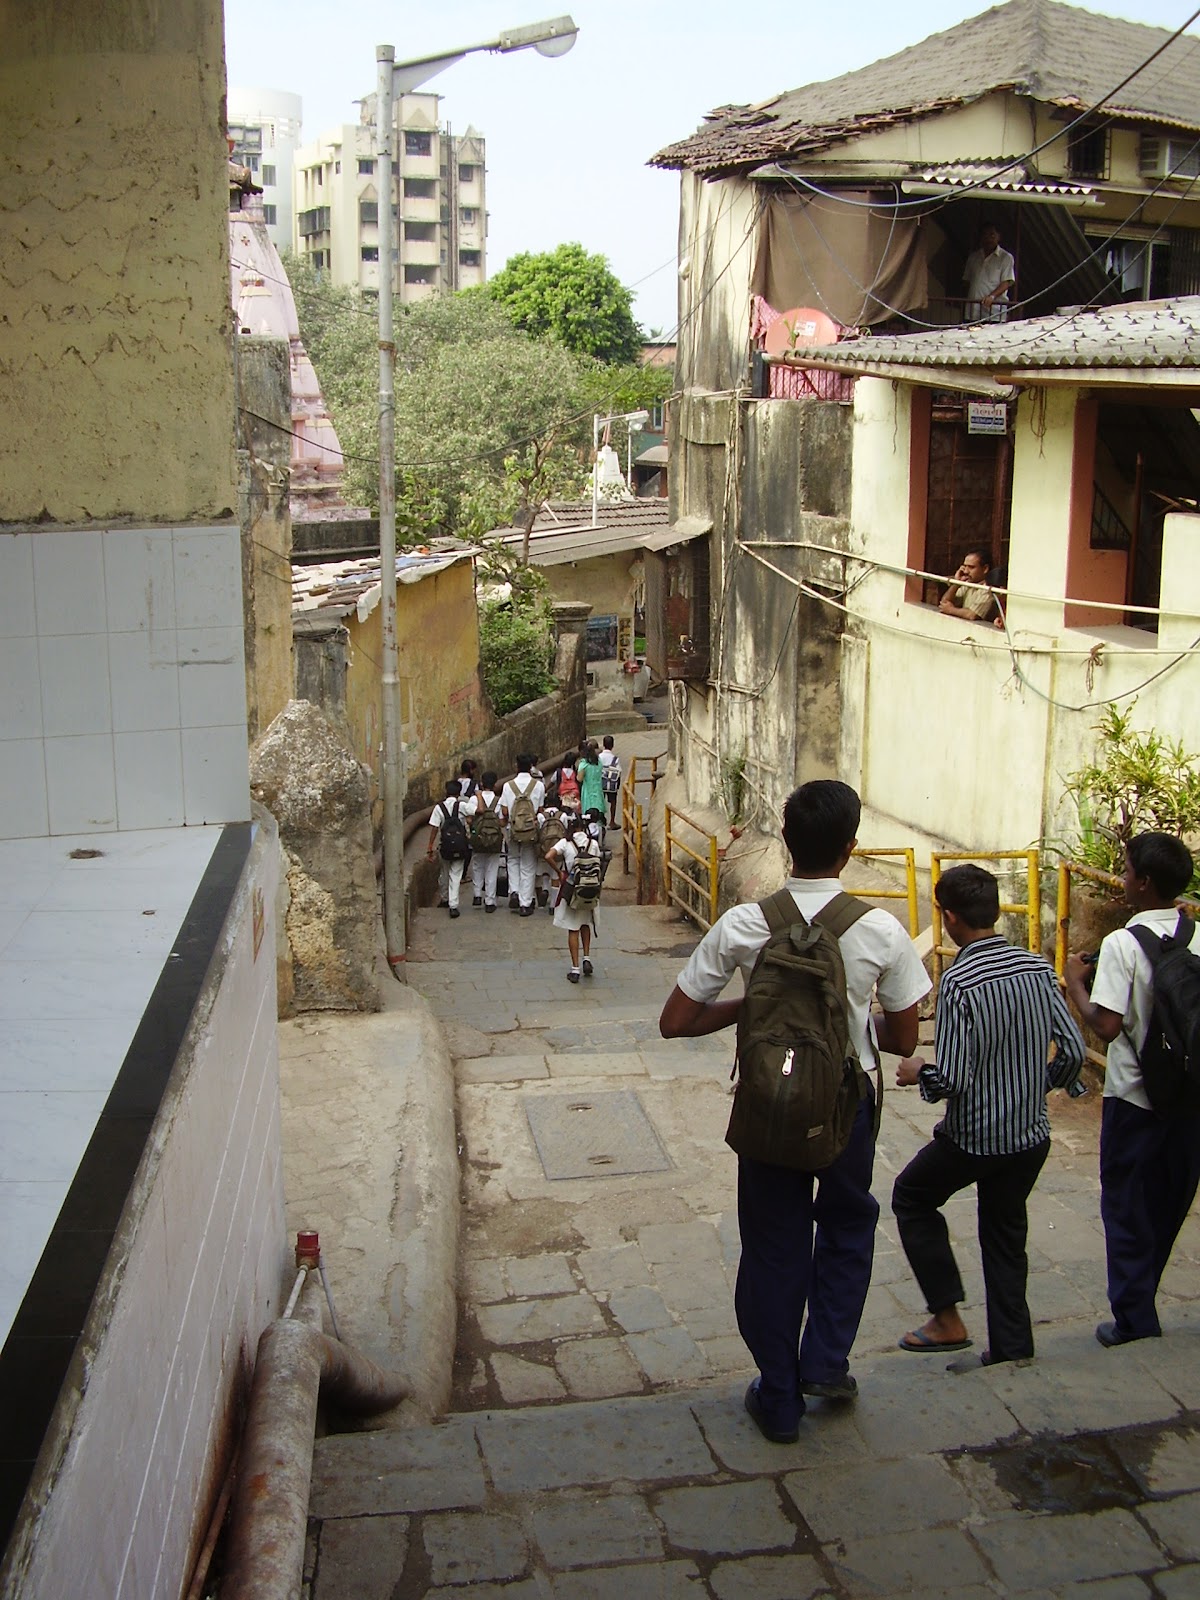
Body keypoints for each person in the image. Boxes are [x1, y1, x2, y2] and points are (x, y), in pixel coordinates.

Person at [659, 780, 930, 1443]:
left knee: (774, 1246)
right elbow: (901, 1038)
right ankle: (827, 1363)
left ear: (784, 839)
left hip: (767, 1109)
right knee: (846, 1226)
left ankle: (778, 1397)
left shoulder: (747, 922)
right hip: (846, 1107)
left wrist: (752, 1008)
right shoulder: (880, 929)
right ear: (850, 848)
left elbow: (677, 1020)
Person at [892, 865, 1085, 1370]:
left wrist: (919, 1072)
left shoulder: (960, 980)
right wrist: (1032, 1088)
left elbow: (952, 1077)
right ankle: (1012, 1347)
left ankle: (947, 1317)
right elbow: (1073, 1053)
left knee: (912, 1197)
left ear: (949, 918)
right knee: (1005, 1235)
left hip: (976, 1137)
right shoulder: (1037, 967)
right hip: (1029, 1135)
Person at [1065, 832, 1200, 1348]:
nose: (1121, 879)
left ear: (1143, 883)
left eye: (1126, 872)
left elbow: (1107, 1026)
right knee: (1170, 1197)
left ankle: (1133, 1314)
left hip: (1135, 1095)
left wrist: (1076, 982)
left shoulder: (1123, 944)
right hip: (1188, 1095)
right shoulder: (1195, 933)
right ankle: (1144, 1293)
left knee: (1125, 1203)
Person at [546, 819, 602, 982]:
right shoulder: (593, 844)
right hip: (590, 890)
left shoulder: (565, 843)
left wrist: (559, 872)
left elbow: (548, 855)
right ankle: (587, 958)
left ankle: (575, 969)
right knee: (586, 923)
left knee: (573, 928)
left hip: (573, 890)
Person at [500, 754, 545, 918]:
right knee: (528, 864)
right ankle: (525, 903)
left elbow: (504, 811)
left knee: (512, 859)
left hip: (513, 830)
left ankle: (515, 891)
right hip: (530, 831)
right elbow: (540, 810)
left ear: (516, 766)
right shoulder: (538, 786)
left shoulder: (507, 786)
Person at [426, 779, 470, 918]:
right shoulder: (462, 805)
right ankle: (453, 905)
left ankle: (445, 898)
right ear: (459, 792)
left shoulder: (439, 808)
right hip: (460, 845)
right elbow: (477, 811)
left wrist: (430, 846)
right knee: (456, 875)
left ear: (446, 791)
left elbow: (434, 827)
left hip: (444, 846)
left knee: (444, 873)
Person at [462, 770, 503, 912]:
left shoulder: (474, 799)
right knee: (492, 868)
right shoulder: (499, 800)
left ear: (481, 783)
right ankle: (490, 900)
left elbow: (468, 817)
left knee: (478, 864)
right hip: (494, 838)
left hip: (478, 837)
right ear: (495, 784)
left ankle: (477, 894)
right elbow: (503, 821)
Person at [963, 222, 1015, 322]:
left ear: (998, 237)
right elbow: (967, 281)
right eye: (985, 235)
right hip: (972, 311)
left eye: (992, 235)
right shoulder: (974, 257)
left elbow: (1007, 282)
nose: (988, 239)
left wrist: (992, 296)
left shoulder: (1005, 257)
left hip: (994, 312)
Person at [939, 549, 995, 623]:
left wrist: (951, 610)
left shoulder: (989, 588)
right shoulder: (967, 583)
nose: (965, 571)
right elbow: (944, 602)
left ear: (985, 569)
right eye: (965, 566)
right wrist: (956, 583)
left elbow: (972, 615)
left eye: (971, 567)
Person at [577, 739, 604, 818]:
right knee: (599, 814)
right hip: (598, 790)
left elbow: (579, 779)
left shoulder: (583, 764)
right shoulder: (598, 761)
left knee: (589, 815)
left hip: (588, 792)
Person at [600, 734, 622, 827]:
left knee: (601, 801)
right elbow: (619, 771)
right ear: (612, 745)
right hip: (611, 784)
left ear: (603, 744)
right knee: (613, 802)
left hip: (601, 783)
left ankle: (601, 820)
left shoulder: (599, 757)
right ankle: (612, 821)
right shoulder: (615, 759)